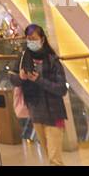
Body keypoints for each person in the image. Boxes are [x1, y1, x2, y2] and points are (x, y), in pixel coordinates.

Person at [11, 23, 67, 165]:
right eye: (28, 39)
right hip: (36, 114)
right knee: (50, 156)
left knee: (55, 160)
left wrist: (39, 80)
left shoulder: (52, 60)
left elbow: (62, 89)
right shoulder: (24, 58)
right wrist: (21, 77)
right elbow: (13, 79)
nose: (31, 42)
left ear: (42, 39)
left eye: (34, 39)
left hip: (55, 115)